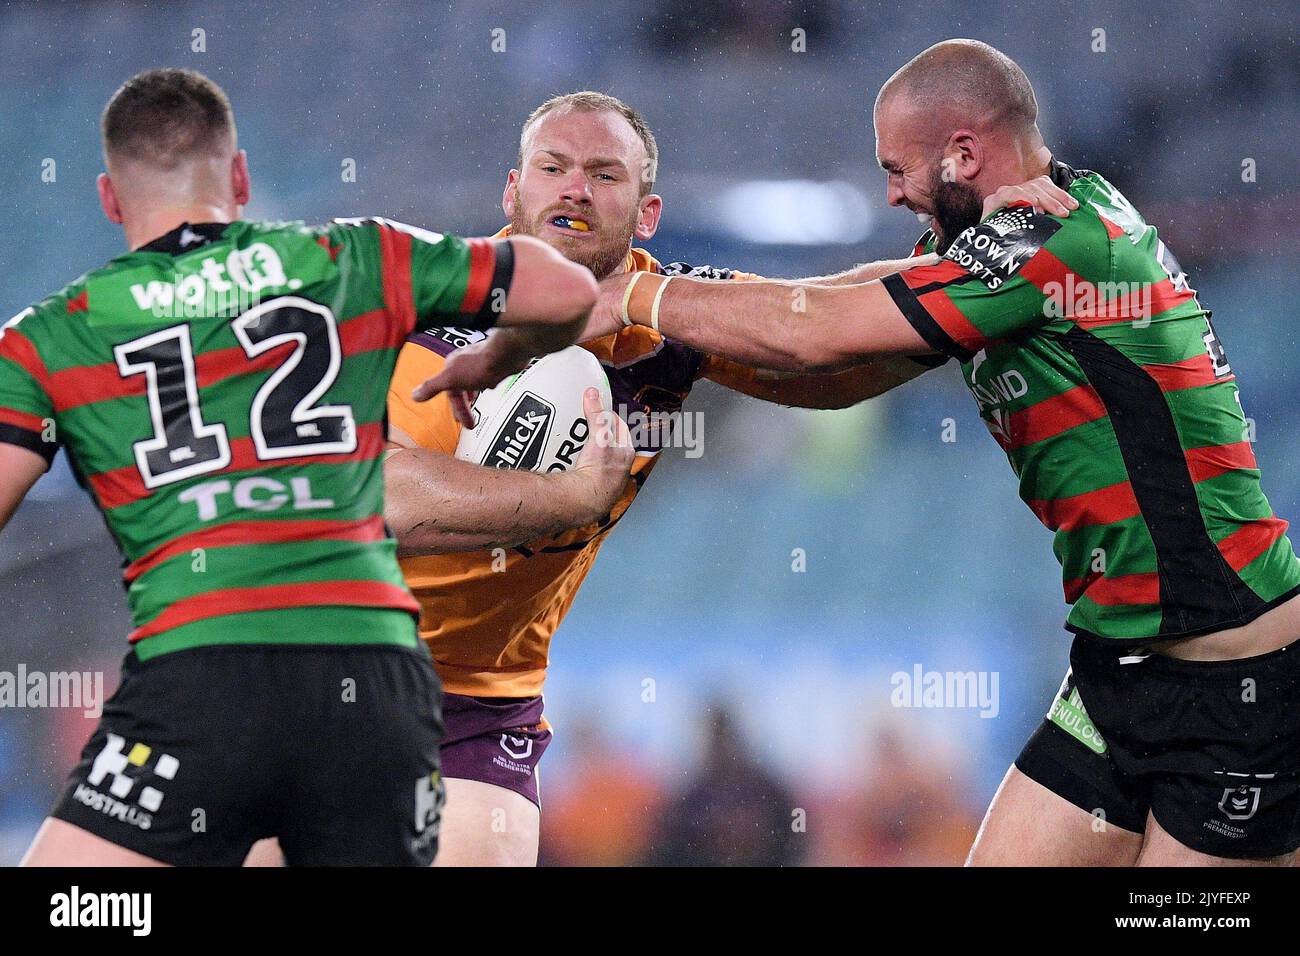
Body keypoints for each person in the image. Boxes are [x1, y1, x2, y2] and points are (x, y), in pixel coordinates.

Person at [436, 41, 1300, 866]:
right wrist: (679, 326)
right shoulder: (1003, 244)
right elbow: (844, 342)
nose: (891, 196)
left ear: (962, 153)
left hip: (1234, 671)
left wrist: (636, 294)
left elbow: (829, 335)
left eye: (897, 170)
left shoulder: (1054, 244)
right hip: (1118, 664)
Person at [378, 91, 1075, 867]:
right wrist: (565, 498)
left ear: (645, 216)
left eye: (605, 175)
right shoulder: (431, 312)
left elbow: (829, 327)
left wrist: (990, 250)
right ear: (513, 192)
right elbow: (381, 497)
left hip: (483, 701)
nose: (575, 188)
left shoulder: (662, 316)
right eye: (553, 167)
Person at [2, 67, 606, 866]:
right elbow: (565, 291)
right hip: (376, 683)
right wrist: (497, 359)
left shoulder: (50, 337)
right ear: (242, 179)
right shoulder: (354, 257)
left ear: (111, 200)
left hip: (201, 674)